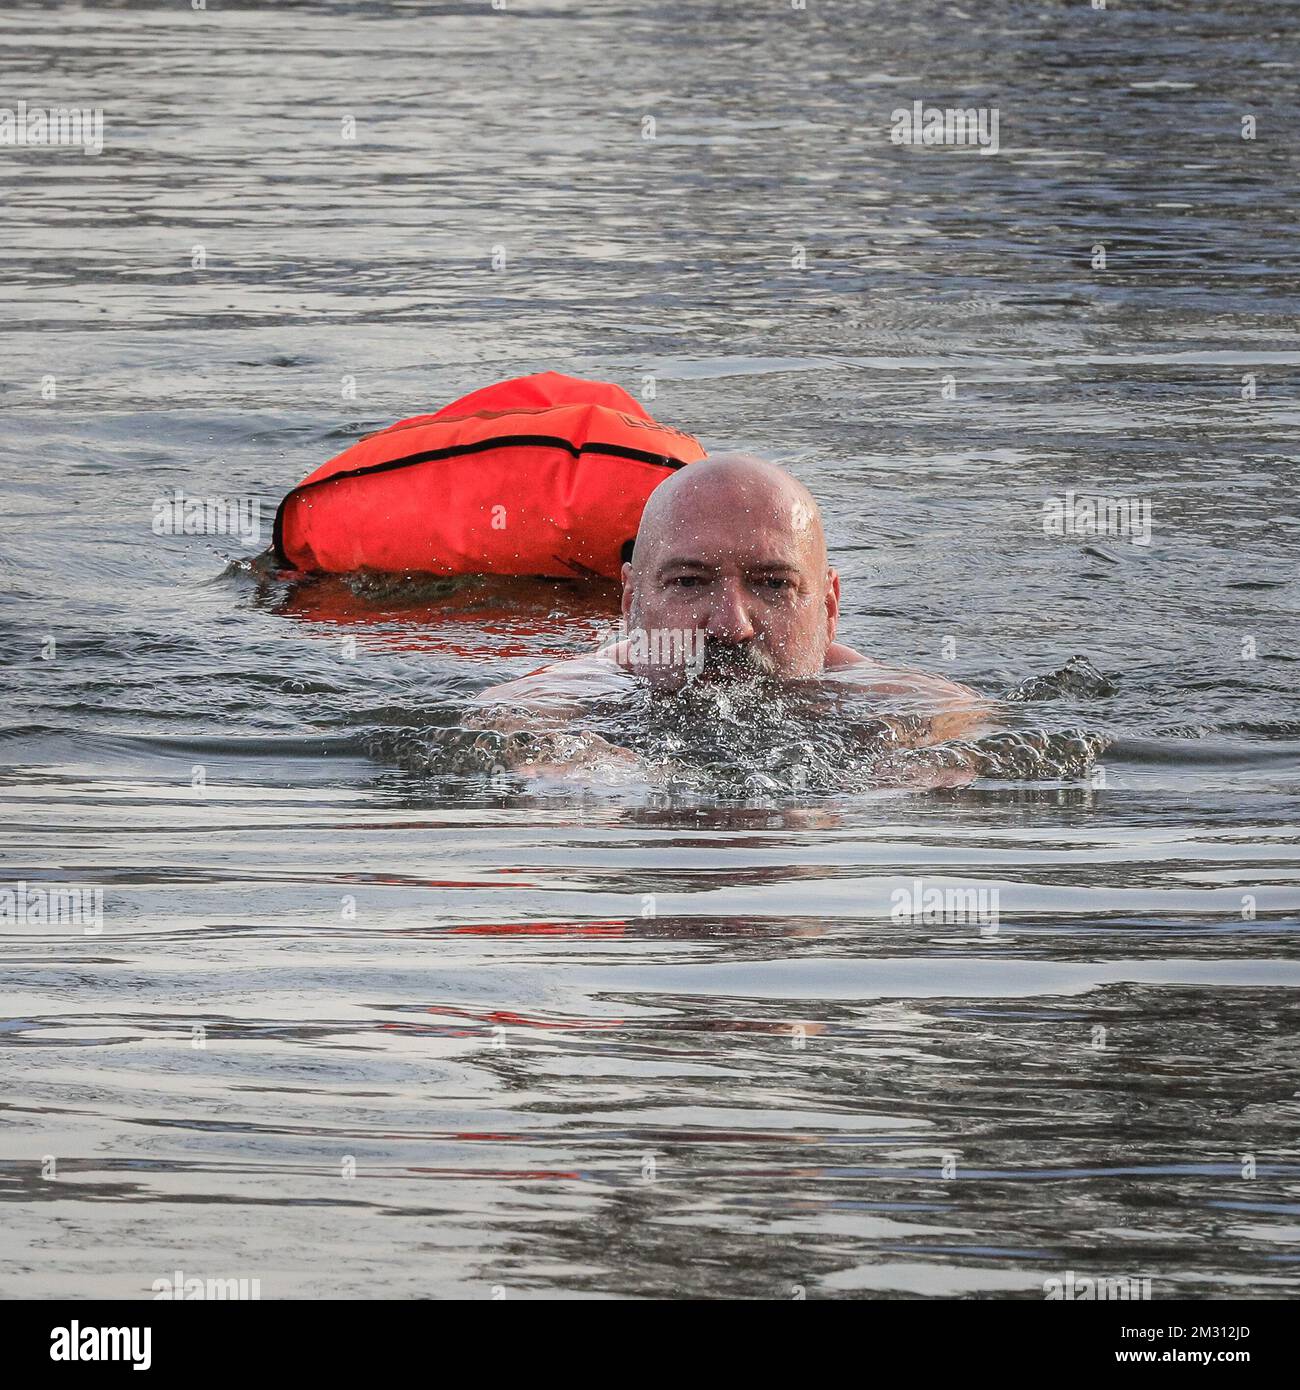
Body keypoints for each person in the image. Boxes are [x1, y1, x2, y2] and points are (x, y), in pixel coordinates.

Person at [472, 453, 993, 779]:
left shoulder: (903, 706)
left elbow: (966, 736)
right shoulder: (572, 697)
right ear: (630, 603)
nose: (731, 626)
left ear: (829, 609)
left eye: (772, 584)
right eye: (689, 582)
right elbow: (501, 729)